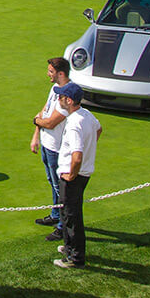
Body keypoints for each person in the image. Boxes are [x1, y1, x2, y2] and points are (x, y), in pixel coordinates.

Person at [52, 84, 99, 269]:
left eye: (61, 97)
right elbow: (99, 130)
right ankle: (69, 247)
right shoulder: (87, 115)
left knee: (72, 217)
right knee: (67, 213)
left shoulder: (74, 123)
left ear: (69, 101)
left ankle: (75, 258)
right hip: (83, 173)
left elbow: (77, 155)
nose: (59, 99)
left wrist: (71, 174)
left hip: (74, 176)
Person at [30, 59, 74, 240]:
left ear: (60, 73)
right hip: (47, 144)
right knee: (52, 181)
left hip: (57, 148)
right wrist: (36, 134)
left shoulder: (69, 94)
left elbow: (50, 121)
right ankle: (56, 215)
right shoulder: (55, 88)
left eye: (50, 71)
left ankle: (63, 225)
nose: (48, 74)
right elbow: (44, 111)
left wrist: (37, 122)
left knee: (59, 187)